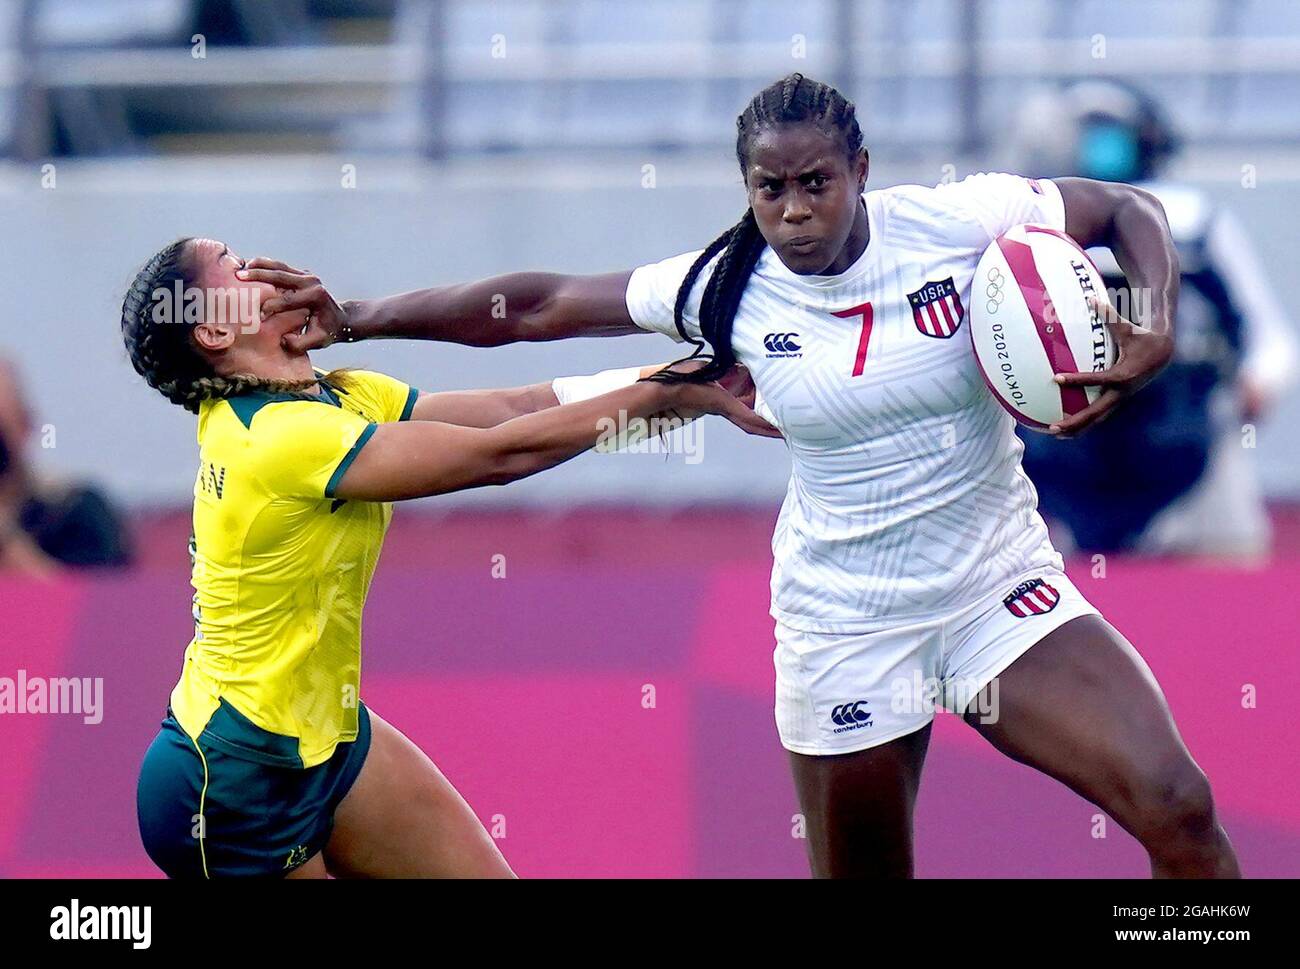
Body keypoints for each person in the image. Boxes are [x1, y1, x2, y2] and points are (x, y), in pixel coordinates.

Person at [259, 74, 1242, 878]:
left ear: (860, 170)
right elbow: (541, 302)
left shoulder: (955, 221)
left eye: (815, 182)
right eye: (768, 190)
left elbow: (1123, 208)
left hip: (995, 589)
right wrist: (355, 315)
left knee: (1179, 811)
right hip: (844, 626)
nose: (794, 211)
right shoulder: (723, 287)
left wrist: (1148, 322)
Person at [125, 236, 773, 879]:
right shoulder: (277, 440)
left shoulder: (338, 396)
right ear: (214, 330)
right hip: (231, 780)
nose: (264, 265)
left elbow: (514, 412)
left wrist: (692, 378)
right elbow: (499, 456)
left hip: (332, 737)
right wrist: (671, 395)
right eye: (236, 267)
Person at [1009, 78, 1298, 557]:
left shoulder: (1193, 220)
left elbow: (1268, 335)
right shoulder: (1025, 225)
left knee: (1233, 587)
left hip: (1185, 440)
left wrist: (1258, 382)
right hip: (1060, 457)